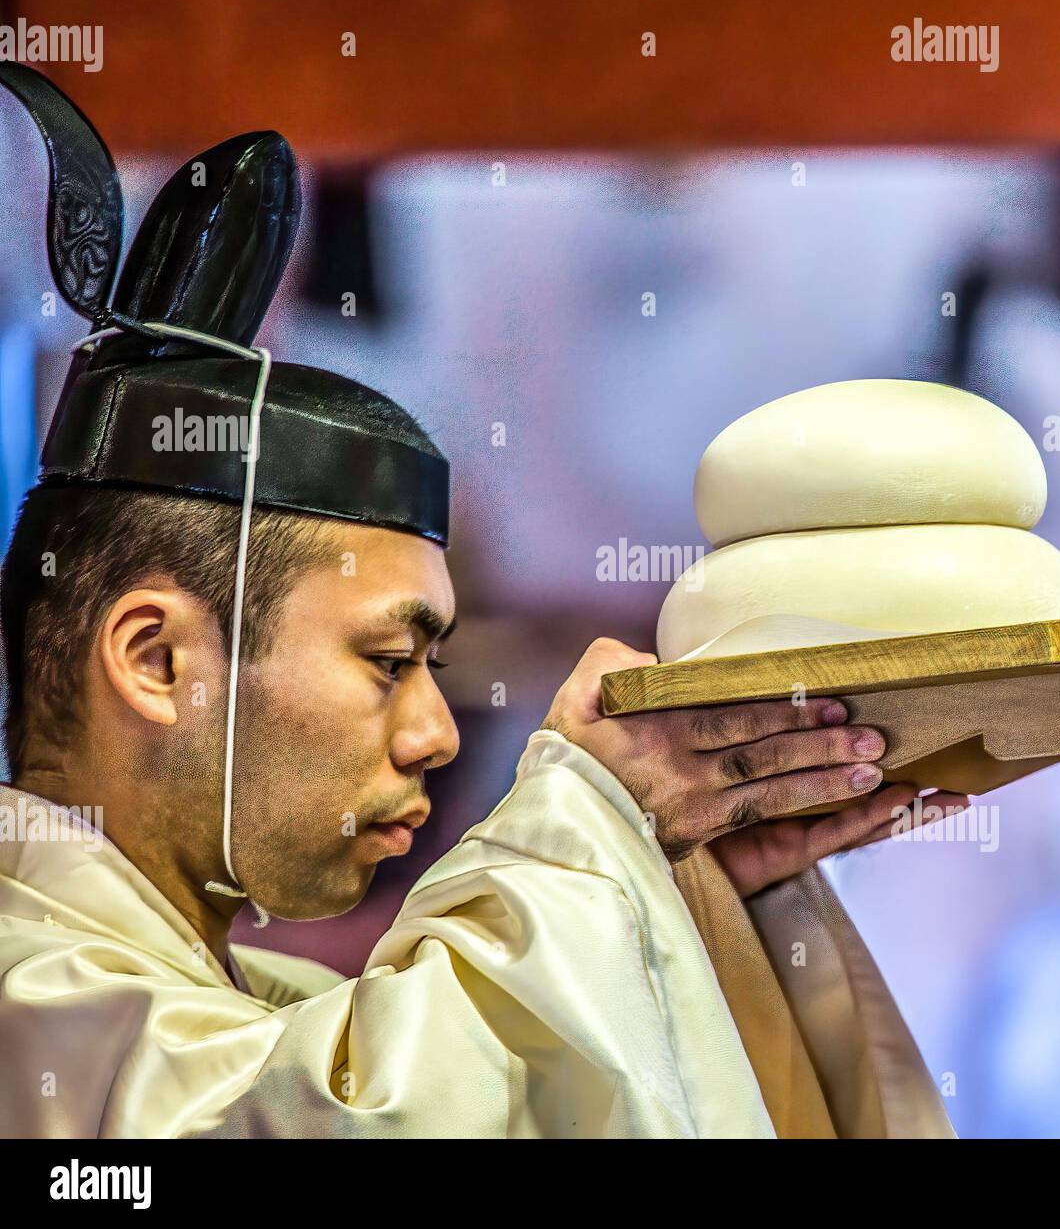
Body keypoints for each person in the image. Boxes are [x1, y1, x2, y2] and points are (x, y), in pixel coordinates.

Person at [0, 63, 963, 1138]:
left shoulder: (237, 1006)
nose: (436, 735)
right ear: (159, 659)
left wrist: (676, 905)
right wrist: (588, 833)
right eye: (386, 661)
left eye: (434, 667)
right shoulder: (22, 997)